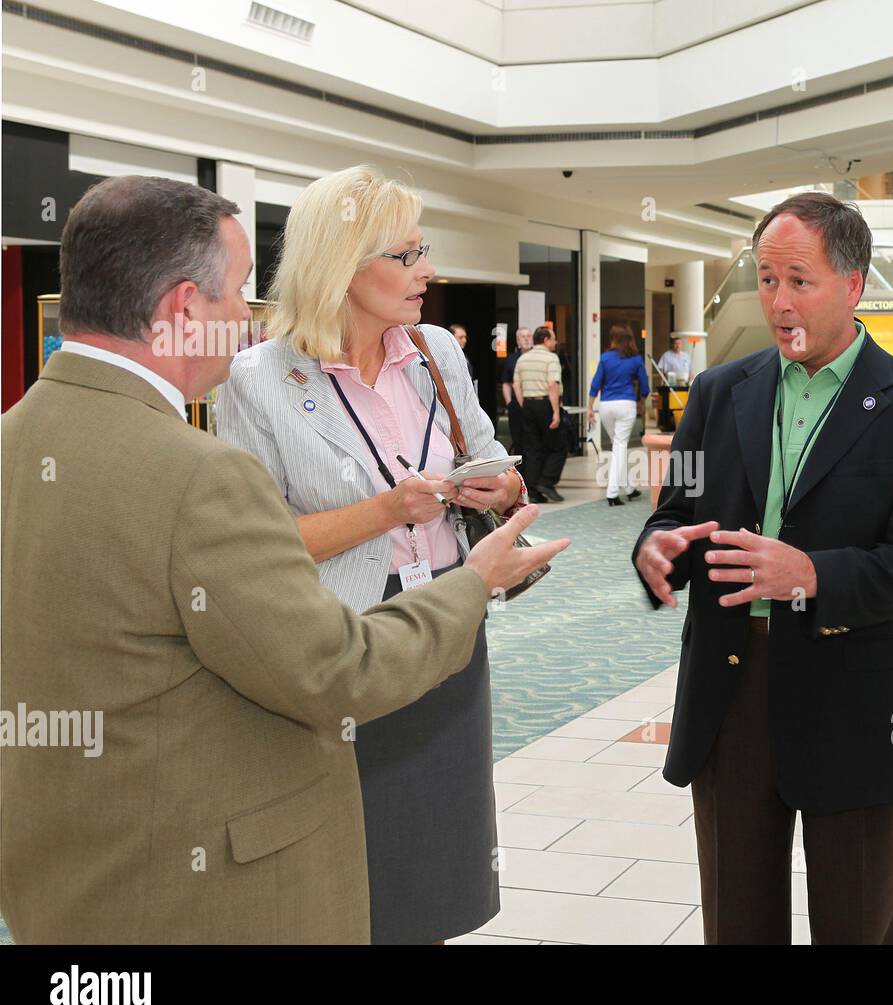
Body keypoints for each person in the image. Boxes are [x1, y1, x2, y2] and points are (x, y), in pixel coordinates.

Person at [0, 175, 565, 944]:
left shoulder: (16, 440)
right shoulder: (201, 468)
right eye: (233, 293)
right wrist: (470, 579)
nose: (244, 316)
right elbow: (334, 671)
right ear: (182, 308)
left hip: (62, 868)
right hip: (197, 862)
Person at [632, 192, 893, 944]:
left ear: (853, 284)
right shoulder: (719, 393)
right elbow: (674, 512)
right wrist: (656, 548)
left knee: (854, 915)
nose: (778, 301)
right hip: (731, 685)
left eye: (799, 280)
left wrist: (810, 574)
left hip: (852, 694)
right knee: (737, 916)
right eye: (767, 279)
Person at [217, 166, 529, 945]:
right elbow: (257, 542)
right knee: (354, 849)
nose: (428, 270)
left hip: (449, 615)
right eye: (408, 253)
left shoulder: (433, 354)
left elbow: (490, 454)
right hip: (342, 636)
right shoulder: (260, 380)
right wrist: (387, 510)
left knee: (440, 840)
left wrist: (495, 486)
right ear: (344, 264)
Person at [588, 325, 650, 506]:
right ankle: (612, 493)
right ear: (629, 339)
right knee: (620, 446)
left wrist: (590, 408)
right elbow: (645, 387)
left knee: (617, 446)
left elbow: (595, 384)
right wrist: (641, 403)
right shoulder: (636, 360)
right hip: (626, 405)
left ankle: (629, 488)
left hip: (606, 405)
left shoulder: (605, 358)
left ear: (613, 339)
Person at [514, 324, 567, 503]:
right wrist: (556, 412)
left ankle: (534, 491)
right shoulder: (551, 358)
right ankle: (547, 481)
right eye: (553, 338)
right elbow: (553, 385)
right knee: (558, 446)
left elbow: (516, 385)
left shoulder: (523, 359)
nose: (556, 341)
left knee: (532, 449)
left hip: (528, 405)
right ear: (546, 340)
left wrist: (524, 404)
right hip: (546, 404)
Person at [500, 326, 531, 453]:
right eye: (523, 337)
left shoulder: (537, 357)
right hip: (516, 406)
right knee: (518, 441)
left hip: (534, 403)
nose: (526, 339)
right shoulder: (511, 359)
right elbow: (506, 383)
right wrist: (509, 403)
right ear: (517, 341)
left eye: (529, 336)